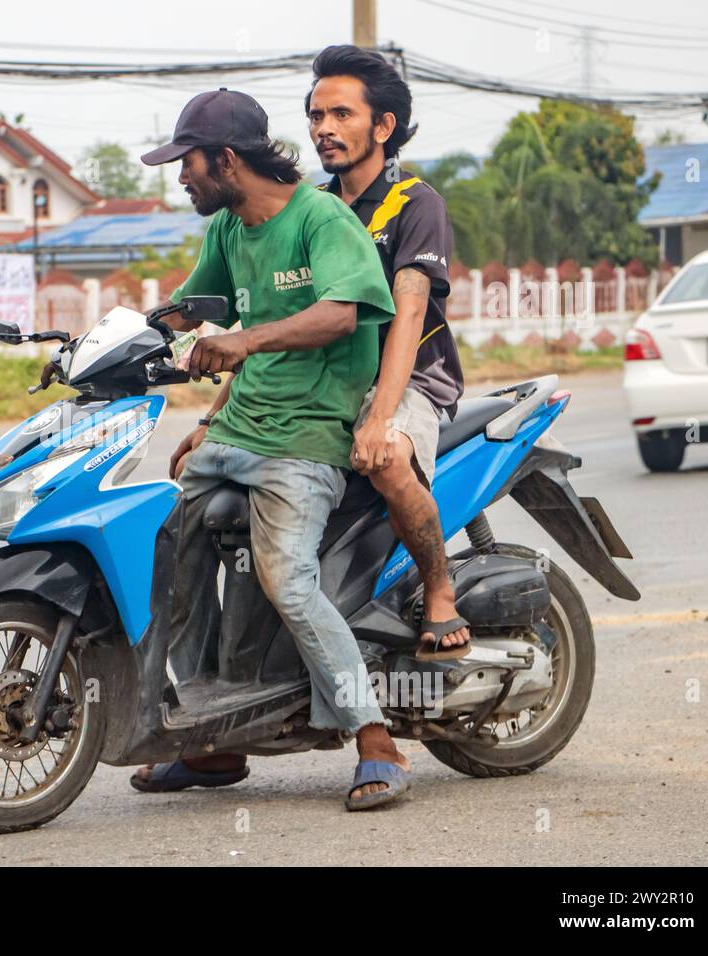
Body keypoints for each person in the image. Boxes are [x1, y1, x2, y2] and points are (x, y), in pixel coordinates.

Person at [122, 87, 414, 810]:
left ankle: (373, 735)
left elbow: (343, 314)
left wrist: (244, 340)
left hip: (307, 439)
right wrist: (100, 344)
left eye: (185, 163)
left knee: (286, 579)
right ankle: (211, 738)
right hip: (237, 431)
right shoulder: (228, 229)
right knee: (165, 552)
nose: (180, 177)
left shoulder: (322, 219)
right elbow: (190, 310)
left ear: (225, 159)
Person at [309, 44, 470, 660]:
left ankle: (439, 588)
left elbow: (409, 311)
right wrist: (217, 418)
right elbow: (277, 317)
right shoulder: (313, 210)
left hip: (411, 380)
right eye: (318, 116)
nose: (326, 128)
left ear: (384, 126)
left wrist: (381, 418)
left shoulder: (414, 203)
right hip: (328, 382)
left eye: (342, 115)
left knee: (385, 461)